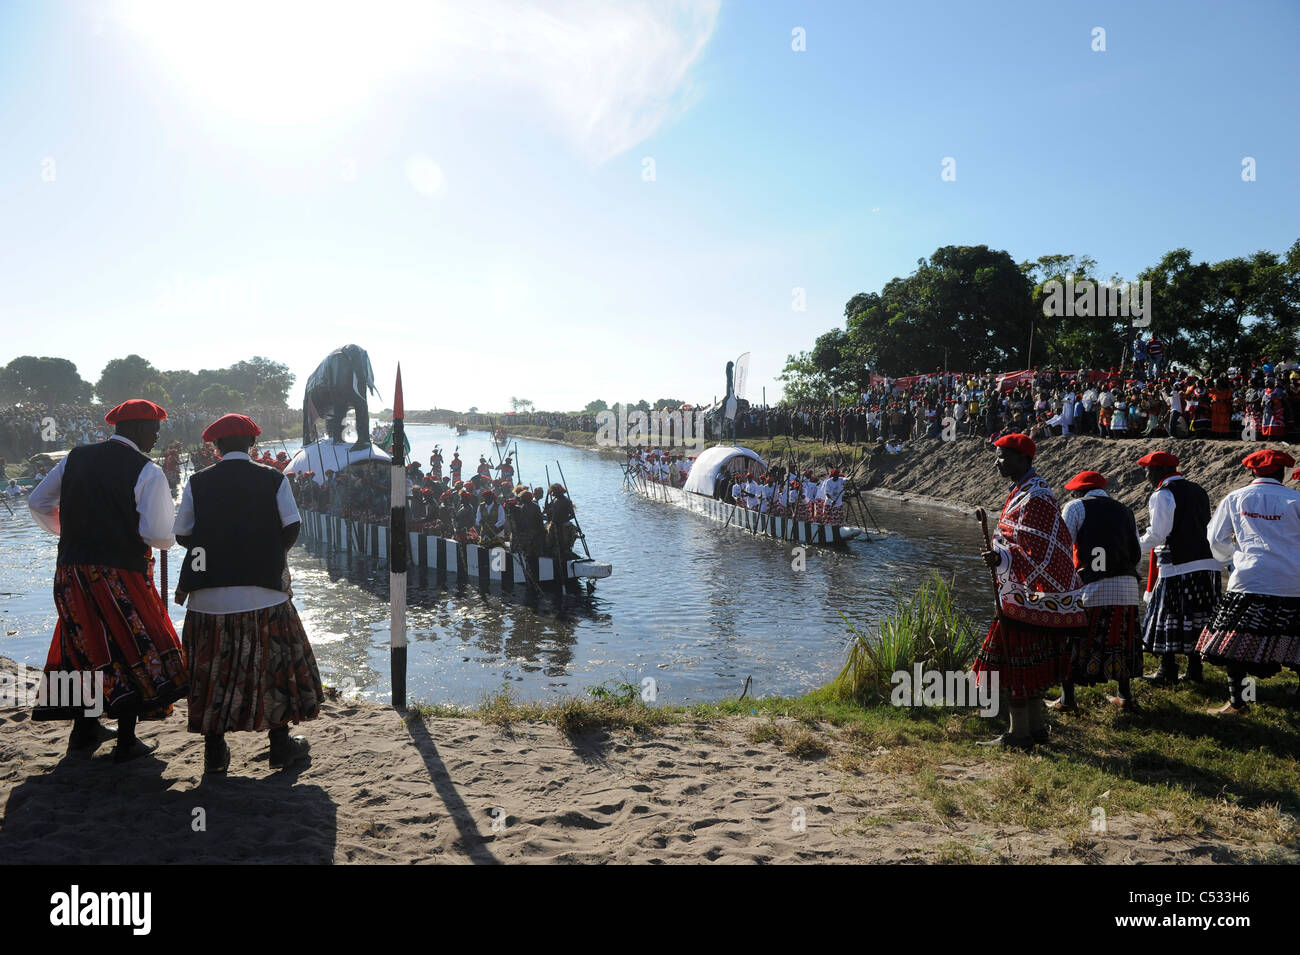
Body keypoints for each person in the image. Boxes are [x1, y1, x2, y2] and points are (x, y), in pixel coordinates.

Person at [27, 398, 187, 762]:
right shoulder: (147, 471)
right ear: (139, 429)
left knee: (82, 643)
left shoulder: (75, 457)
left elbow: (38, 502)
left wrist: (72, 533)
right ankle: (127, 740)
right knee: (128, 644)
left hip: (71, 568)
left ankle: (84, 731)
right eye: (154, 428)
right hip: (120, 571)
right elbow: (159, 535)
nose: (158, 434)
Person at [174, 414, 322, 774]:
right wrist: (267, 557)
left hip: (208, 598)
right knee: (276, 666)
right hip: (264, 594)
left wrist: (213, 551)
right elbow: (292, 526)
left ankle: (214, 750)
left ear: (216, 446)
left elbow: (181, 535)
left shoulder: (198, 482)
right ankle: (280, 745)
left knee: (212, 672)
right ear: (252, 444)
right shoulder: (272, 479)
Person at [974, 434, 1084, 747]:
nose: (998, 462)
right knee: (1029, 664)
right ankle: (1036, 729)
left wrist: (1001, 557)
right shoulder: (1025, 493)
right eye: (997, 455)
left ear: (1024, 460)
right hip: (1022, 595)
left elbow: (1041, 551)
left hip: (1027, 600)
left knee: (1014, 665)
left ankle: (1019, 733)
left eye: (1004, 456)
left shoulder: (1036, 498)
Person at [1196, 450, 1300, 714]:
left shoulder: (1235, 498)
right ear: (1283, 472)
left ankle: (1238, 702)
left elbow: (1214, 538)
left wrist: (1232, 561)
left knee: (1236, 644)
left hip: (1250, 579)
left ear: (1252, 471)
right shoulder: (1296, 500)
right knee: (1297, 639)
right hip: (1292, 580)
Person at [1051, 470, 1142, 711]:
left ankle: (1067, 700)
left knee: (1072, 640)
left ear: (1079, 491)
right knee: (1122, 639)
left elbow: (1062, 546)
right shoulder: (1125, 510)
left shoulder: (1075, 507)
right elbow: (1138, 553)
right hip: (1127, 586)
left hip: (1091, 586)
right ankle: (1124, 695)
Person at [1137, 451, 1221, 684]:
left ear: (1159, 471)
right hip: (1205, 562)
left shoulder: (1163, 495)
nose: (1147, 476)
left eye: (1148, 470)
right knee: (1196, 617)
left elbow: (1157, 534)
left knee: (1167, 616)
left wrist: (1133, 548)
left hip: (1177, 565)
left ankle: (1167, 670)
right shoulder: (1198, 490)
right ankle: (1195, 670)